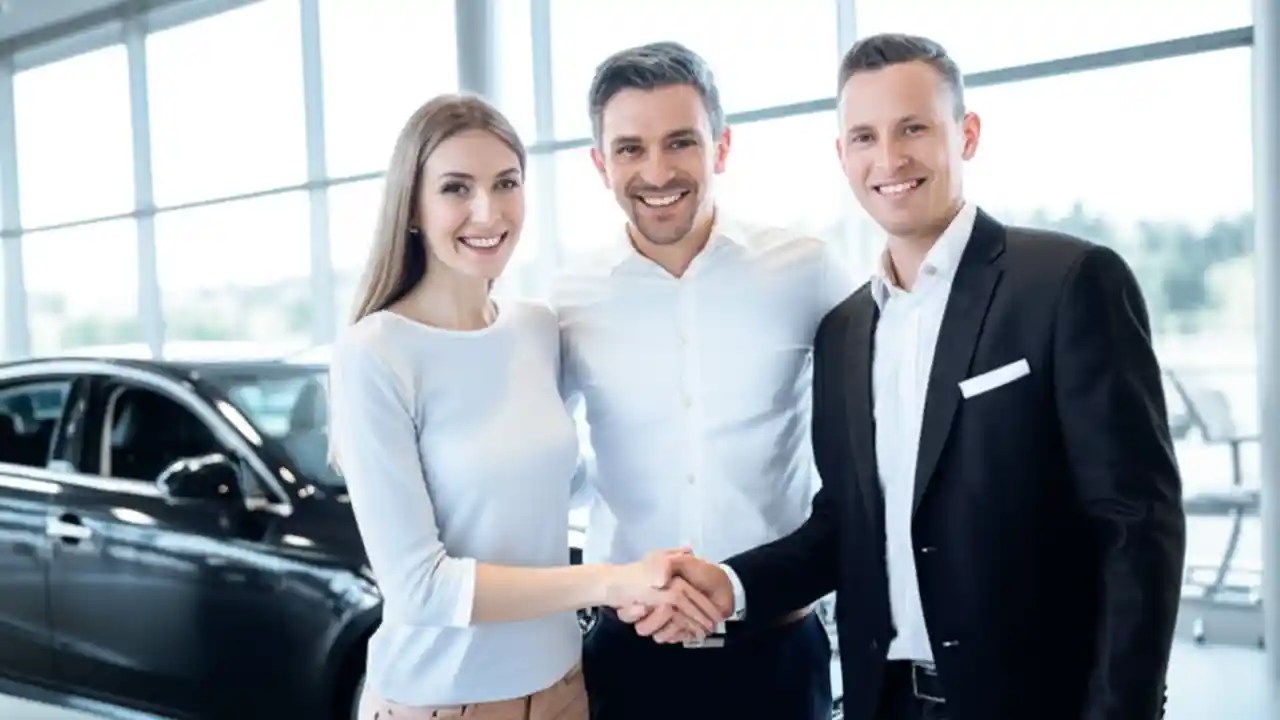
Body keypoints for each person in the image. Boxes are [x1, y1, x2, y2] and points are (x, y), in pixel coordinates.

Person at [630, 33, 1188, 720]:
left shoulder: (1067, 282)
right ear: (842, 155)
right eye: (864, 137)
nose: (889, 159)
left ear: (967, 133)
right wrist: (731, 584)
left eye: (913, 129)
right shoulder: (843, 331)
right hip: (883, 700)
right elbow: (847, 525)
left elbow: (1137, 524)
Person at [327, 94, 720, 720]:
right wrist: (612, 579)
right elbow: (421, 588)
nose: (488, 211)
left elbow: (561, 485)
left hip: (563, 688)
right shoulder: (374, 352)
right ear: (413, 208)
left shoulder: (536, 328)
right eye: (456, 188)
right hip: (441, 702)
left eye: (505, 183)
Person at [551, 42, 854, 720]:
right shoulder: (569, 300)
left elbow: (876, 437)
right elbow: (537, 464)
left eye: (680, 141)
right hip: (626, 661)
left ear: (721, 147)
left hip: (777, 656)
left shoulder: (807, 272)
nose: (656, 171)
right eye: (630, 149)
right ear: (600, 164)